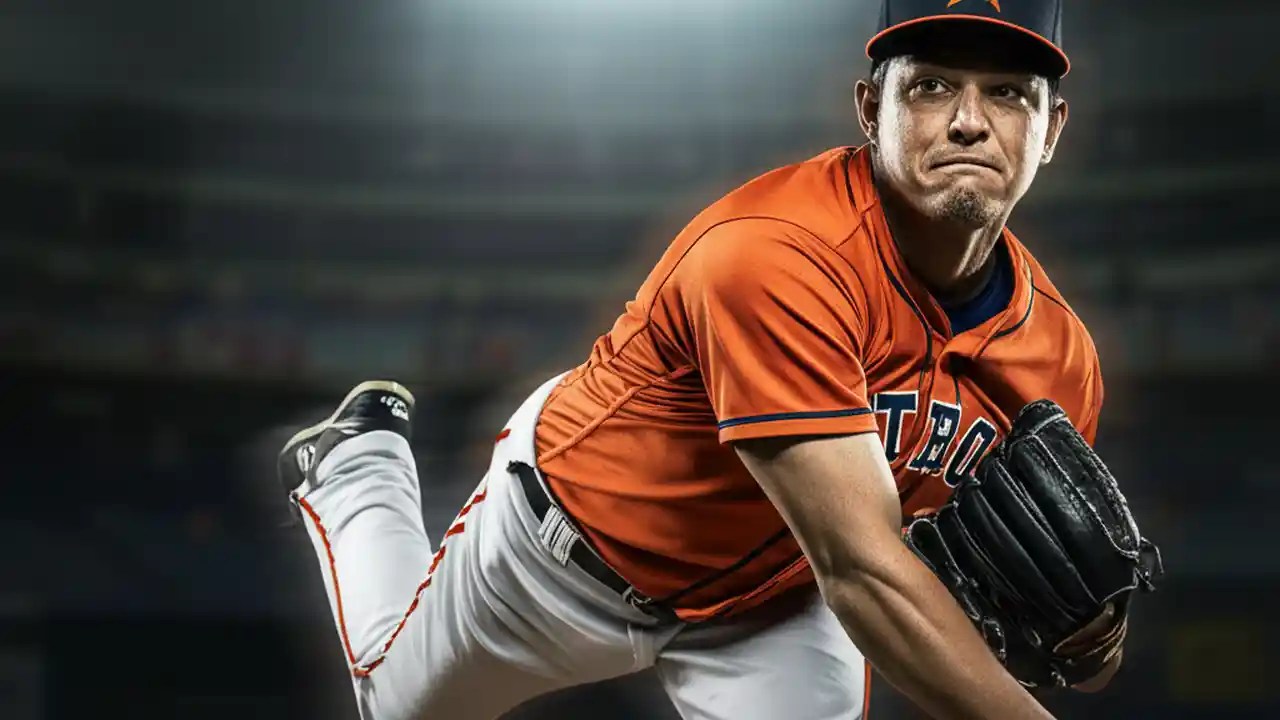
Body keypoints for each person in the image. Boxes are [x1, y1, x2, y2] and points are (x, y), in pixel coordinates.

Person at [277, 1, 1125, 718]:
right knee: (399, 706)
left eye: (1008, 92)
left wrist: (1091, 640)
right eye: (932, 86)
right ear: (872, 109)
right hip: (573, 549)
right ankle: (358, 466)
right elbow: (866, 573)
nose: (970, 119)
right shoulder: (773, 252)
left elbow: (1033, 629)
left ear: (1051, 127)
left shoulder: (1058, 360)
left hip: (776, 603)